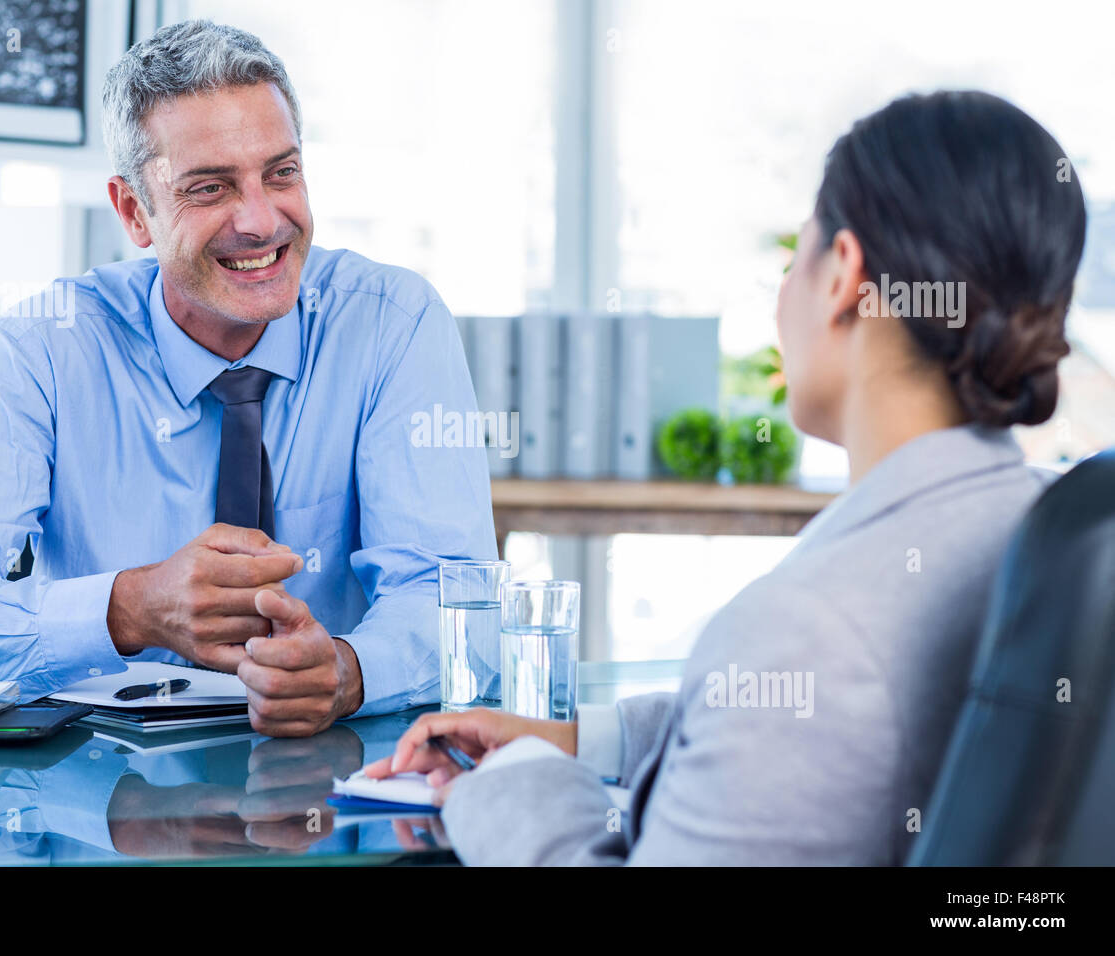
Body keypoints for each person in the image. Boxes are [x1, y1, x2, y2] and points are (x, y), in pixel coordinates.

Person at [367, 90, 1087, 864]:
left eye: (796, 256)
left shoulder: (804, 629)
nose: (783, 297)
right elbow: (782, 729)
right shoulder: (1054, 530)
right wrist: (576, 741)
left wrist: (511, 783)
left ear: (843, 273)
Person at [0, 20, 497, 737]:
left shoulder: (392, 323)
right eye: (211, 188)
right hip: (104, 804)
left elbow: (460, 606)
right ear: (135, 212)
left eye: (281, 173)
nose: (261, 222)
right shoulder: (43, 348)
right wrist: (129, 608)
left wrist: (349, 670)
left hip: (334, 795)